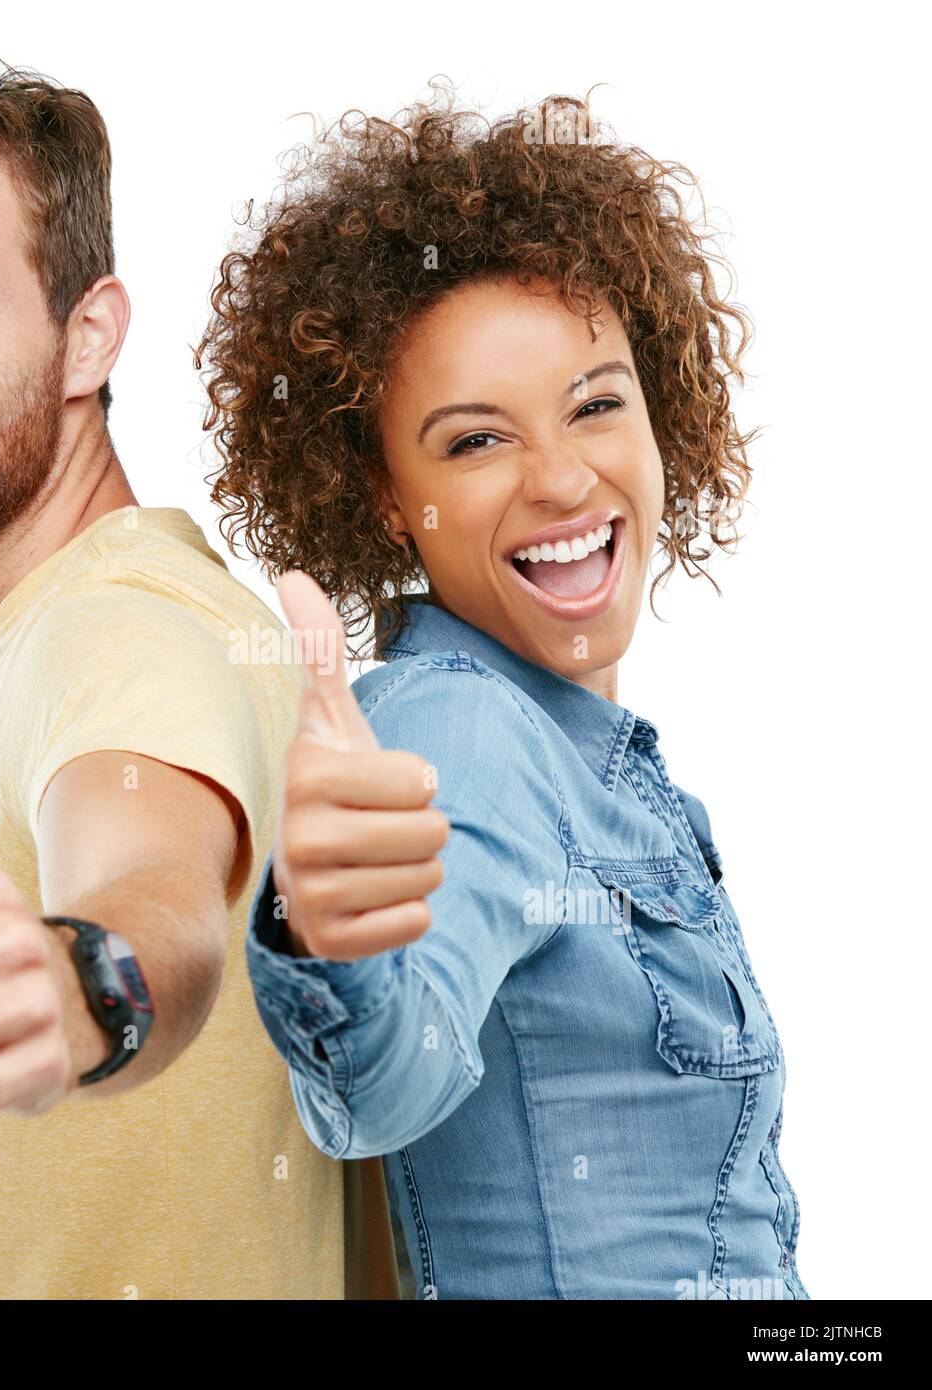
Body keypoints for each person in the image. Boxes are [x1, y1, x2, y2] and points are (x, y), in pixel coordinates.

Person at [0, 44, 397, 1299]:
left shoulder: (122, 628)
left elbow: (153, 879)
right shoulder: (61, 635)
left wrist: (83, 981)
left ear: (85, 338)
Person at [198, 88, 808, 1300]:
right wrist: (330, 932)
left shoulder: (600, 764)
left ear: (660, 408)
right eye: (476, 441)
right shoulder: (457, 728)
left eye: (594, 404)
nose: (563, 476)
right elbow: (386, 1082)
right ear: (383, 495)